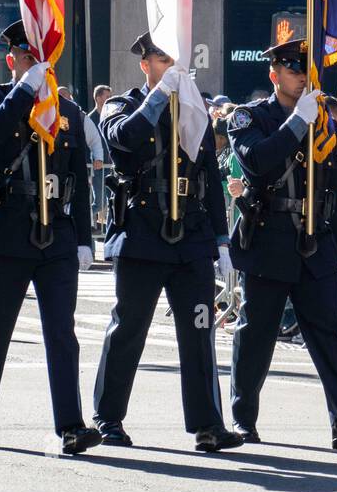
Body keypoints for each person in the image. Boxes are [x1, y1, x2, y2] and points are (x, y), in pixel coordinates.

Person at [226, 39, 337, 448]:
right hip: (270, 235)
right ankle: (243, 417)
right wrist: (297, 122)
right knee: (257, 333)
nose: (301, 77)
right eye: (293, 70)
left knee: (328, 333)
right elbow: (258, 160)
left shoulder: (323, 122)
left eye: (305, 71)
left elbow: (331, 188)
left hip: (316, 239)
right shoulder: (250, 118)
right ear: (274, 74)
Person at [93, 32, 243, 453]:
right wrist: (159, 95)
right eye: (161, 59)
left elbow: (210, 178)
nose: (170, 66)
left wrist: (221, 239)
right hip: (143, 232)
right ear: (146, 65)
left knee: (199, 330)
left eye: (174, 59)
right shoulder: (124, 105)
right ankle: (108, 417)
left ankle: (207, 424)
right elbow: (125, 137)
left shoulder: (194, 109)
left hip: (191, 236)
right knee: (130, 329)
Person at [0, 22, 99, 453]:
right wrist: (26, 90)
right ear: (12, 60)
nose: (38, 65)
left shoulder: (68, 112)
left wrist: (83, 238)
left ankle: (71, 426)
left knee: (62, 333)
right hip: (8, 230)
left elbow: (78, 177)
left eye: (44, 59)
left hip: (54, 231)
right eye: (29, 58)